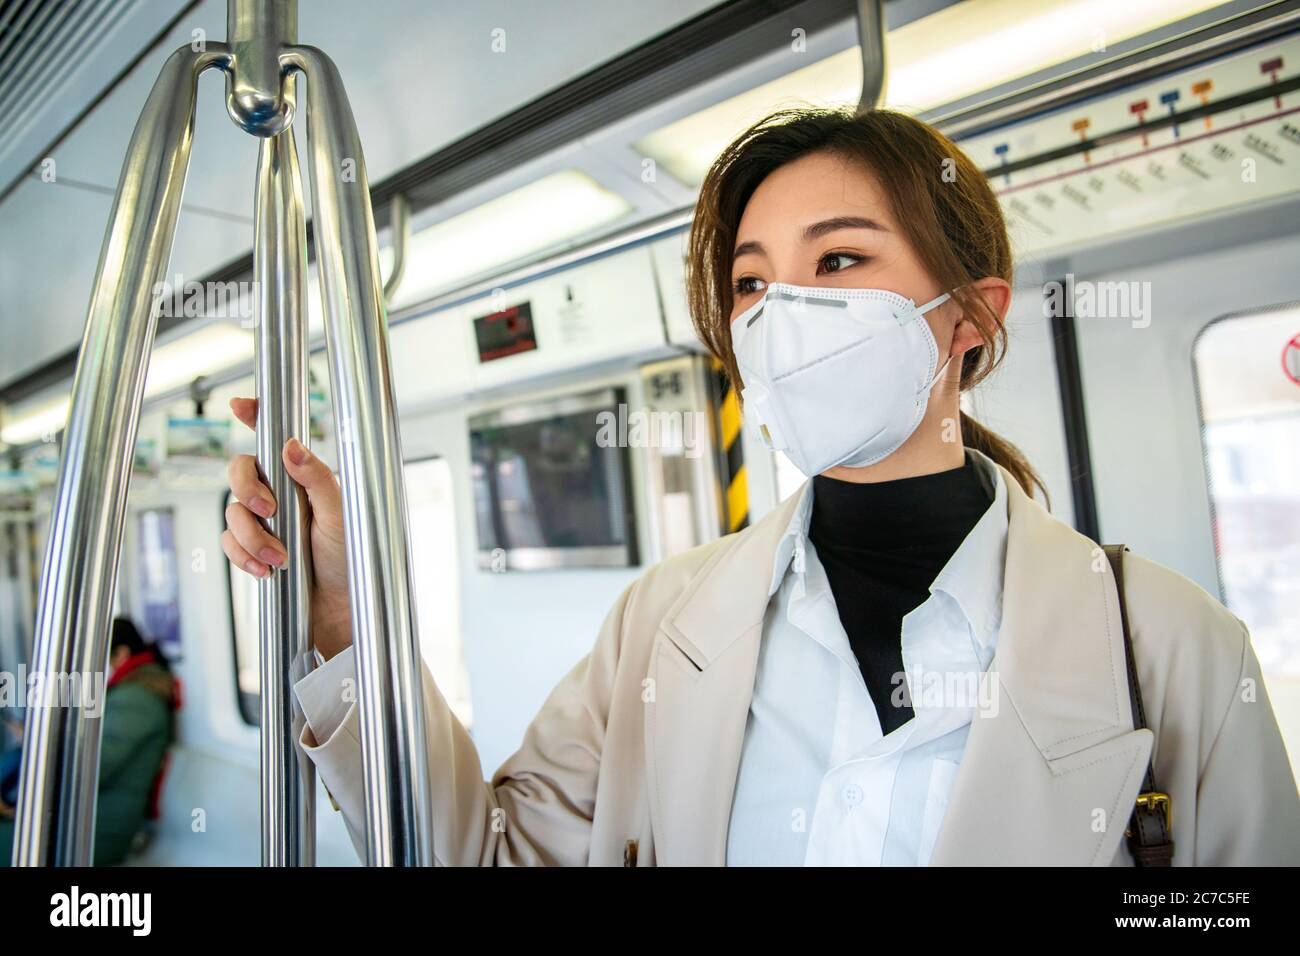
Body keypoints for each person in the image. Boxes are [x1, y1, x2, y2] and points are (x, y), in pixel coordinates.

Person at [221, 107, 1300, 866]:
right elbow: (483, 856)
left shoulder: (1167, 641)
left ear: (968, 318)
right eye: (749, 281)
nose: (781, 313)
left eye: (836, 262)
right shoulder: (662, 620)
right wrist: (339, 616)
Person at [0, 617, 178, 865]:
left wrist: (40, 745)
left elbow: (92, 768)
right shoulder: (130, 693)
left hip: (97, 827)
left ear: (122, 654)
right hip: (81, 815)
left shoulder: (136, 700)